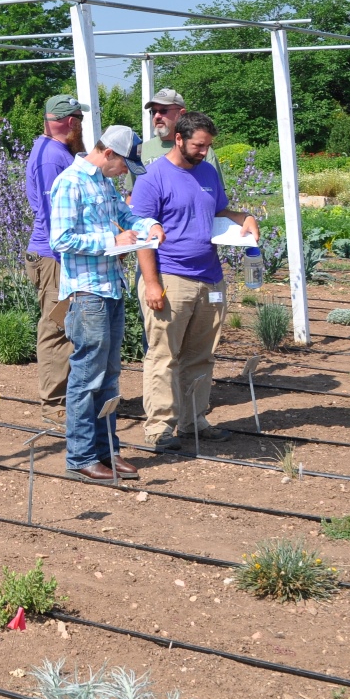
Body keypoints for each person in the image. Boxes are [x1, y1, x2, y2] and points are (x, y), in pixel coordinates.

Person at [131, 110, 260, 450]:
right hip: (170, 277)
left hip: (210, 278)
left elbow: (218, 211)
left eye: (208, 146)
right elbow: (142, 233)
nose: (204, 152)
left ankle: (193, 421)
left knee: (201, 355)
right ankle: (159, 428)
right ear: (179, 139)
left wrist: (244, 217)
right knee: (164, 355)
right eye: (199, 146)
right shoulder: (152, 177)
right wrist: (152, 283)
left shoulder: (207, 173)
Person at [49, 124, 163, 483]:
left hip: (110, 290)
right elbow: (61, 239)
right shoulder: (70, 182)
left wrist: (149, 225)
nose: (125, 171)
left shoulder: (103, 181)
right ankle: (81, 456)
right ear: (109, 153)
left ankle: (107, 450)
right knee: (87, 376)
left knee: (110, 377)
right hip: (88, 293)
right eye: (124, 164)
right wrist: (110, 240)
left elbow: (126, 217)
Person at [24, 95, 86, 416]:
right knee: (56, 328)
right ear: (71, 122)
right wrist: (68, 259)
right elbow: (52, 216)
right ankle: (54, 406)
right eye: (80, 120)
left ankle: (69, 400)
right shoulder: (51, 158)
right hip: (54, 256)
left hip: (55, 254)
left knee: (67, 327)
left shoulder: (56, 151)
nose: (82, 126)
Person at [140, 89, 186, 167]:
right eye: (153, 111)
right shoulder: (141, 151)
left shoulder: (199, 148)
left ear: (181, 114)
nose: (157, 116)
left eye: (163, 111)